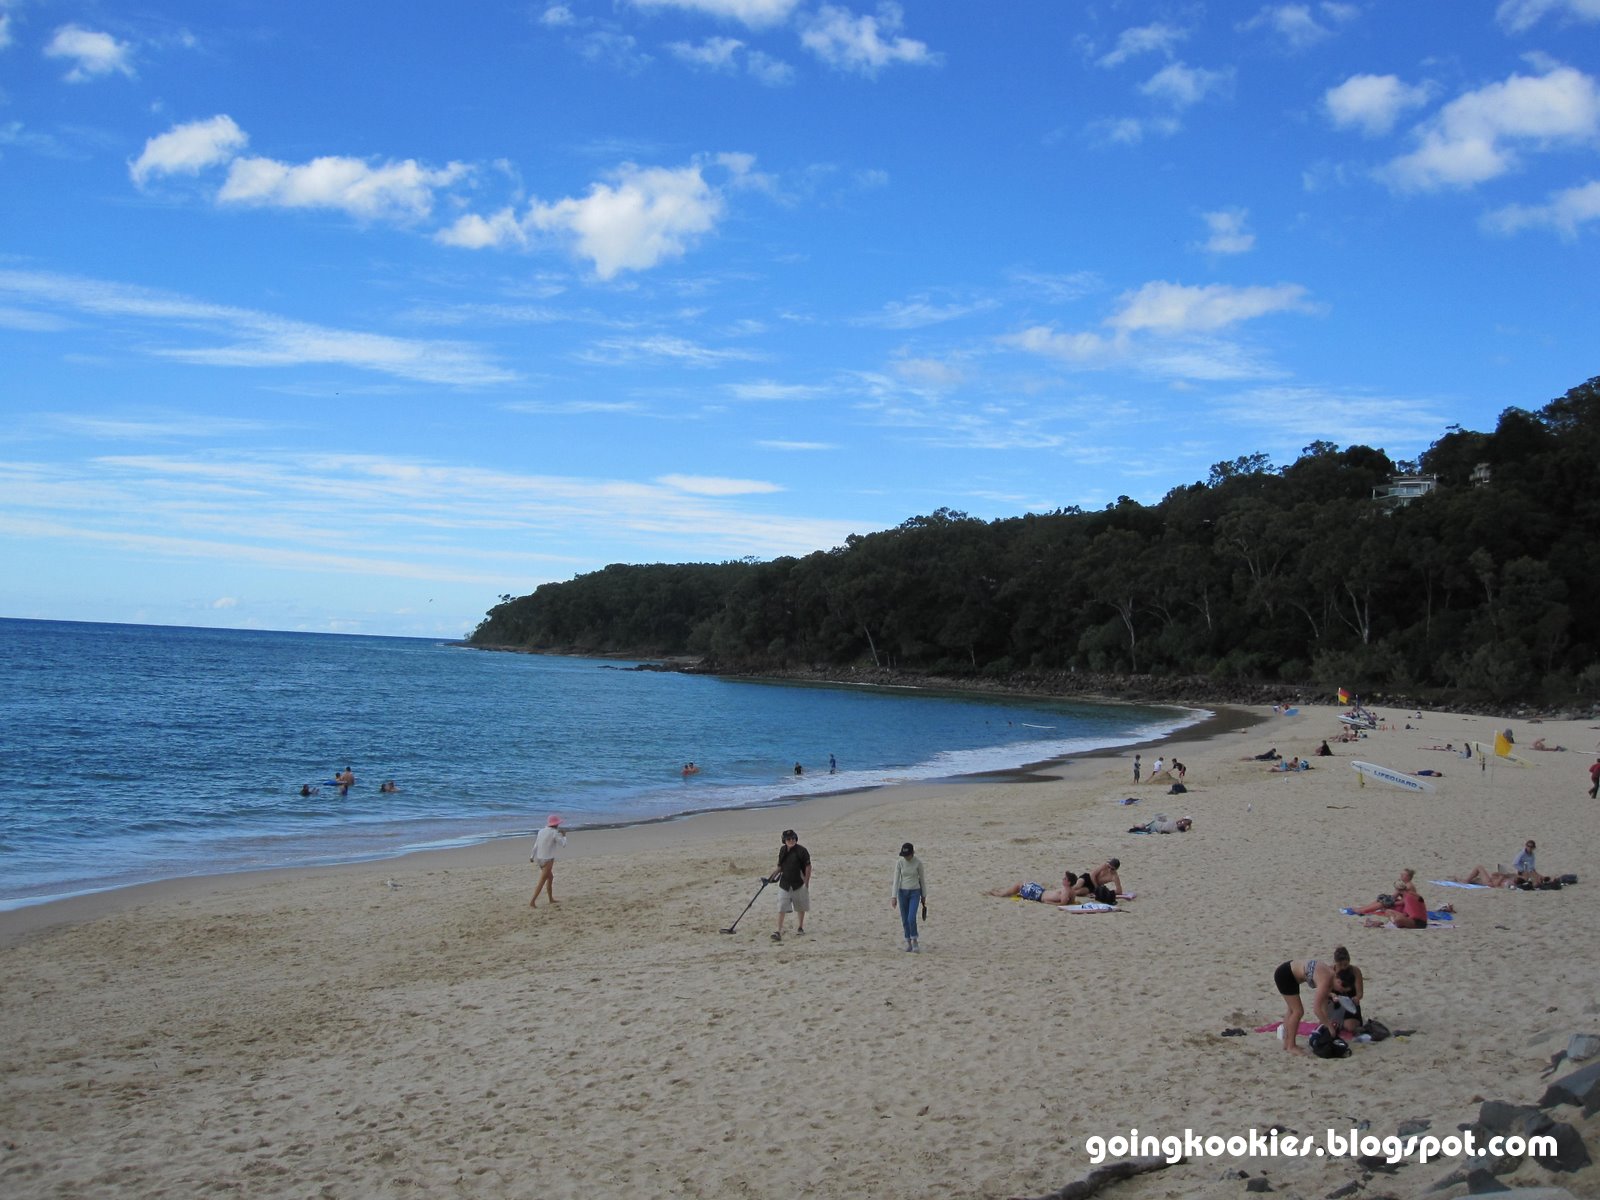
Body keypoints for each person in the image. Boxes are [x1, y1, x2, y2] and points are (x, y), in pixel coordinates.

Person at [1272, 951, 1345, 1054]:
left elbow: (1323, 1004)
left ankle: (1287, 1043)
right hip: (1285, 974)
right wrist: (1329, 1026)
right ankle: (1291, 1046)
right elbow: (1316, 1009)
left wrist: (1324, 1023)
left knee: (1291, 1010)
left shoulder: (1330, 975)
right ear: (1338, 981)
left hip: (1290, 973)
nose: (1341, 991)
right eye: (1342, 988)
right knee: (1298, 1011)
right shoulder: (1326, 980)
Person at [769, 829, 811, 941]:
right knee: (781, 906)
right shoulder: (783, 850)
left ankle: (800, 927)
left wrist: (806, 882)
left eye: (793, 838)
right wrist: (771, 878)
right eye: (788, 839)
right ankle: (778, 930)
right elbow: (780, 867)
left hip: (799, 883)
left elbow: (808, 867)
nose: (791, 840)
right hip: (785, 883)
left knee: (800, 906)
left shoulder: (802, 851)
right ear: (784, 840)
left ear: (796, 838)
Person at [892, 842, 927, 952]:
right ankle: (908, 942)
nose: (906, 857)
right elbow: (896, 880)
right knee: (904, 919)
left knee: (911, 918)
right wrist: (893, 897)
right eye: (904, 855)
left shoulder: (918, 863)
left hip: (915, 893)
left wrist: (924, 895)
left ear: (912, 853)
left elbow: (922, 880)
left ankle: (915, 940)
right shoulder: (900, 863)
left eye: (907, 855)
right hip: (902, 893)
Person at [529, 814, 568, 908]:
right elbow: (563, 844)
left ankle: (551, 899)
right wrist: (564, 836)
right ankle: (532, 901)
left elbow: (536, 845)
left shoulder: (541, 831)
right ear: (556, 824)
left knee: (550, 878)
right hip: (548, 860)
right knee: (542, 881)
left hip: (539, 859)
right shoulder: (555, 833)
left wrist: (531, 856)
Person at [987, 871, 1086, 905]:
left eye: (1065, 878)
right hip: (1041, 891)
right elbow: (1071, 902)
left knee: (1019, 885)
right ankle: (1002, 892)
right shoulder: (1071, 891)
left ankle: (1000, 894)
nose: (1062, 879)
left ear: (1068, 882)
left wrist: (1049, 902)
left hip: (1038, 895)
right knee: (1021, 884)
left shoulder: (1065, 891)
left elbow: (1062, 904)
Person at [1332, 956, 1365, 1039]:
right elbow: (1323, 992)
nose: (1343, 967)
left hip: (1350, 1004)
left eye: (1345, 964)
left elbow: (1360, 993)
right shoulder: (1329, 972)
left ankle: (1343, 1021)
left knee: (1350, 1027)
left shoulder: (1355, 971)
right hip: (1335, 1003)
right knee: (1328, 1025)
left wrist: (1356, 998)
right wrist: (1332, 995)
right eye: (1340, 965)